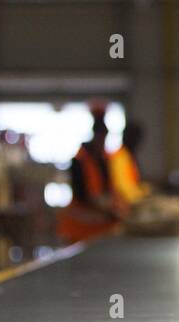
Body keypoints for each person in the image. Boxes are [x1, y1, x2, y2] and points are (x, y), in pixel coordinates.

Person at [57, 103, 123, 244]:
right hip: (78, 228)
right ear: (96, 136)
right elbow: (85, 195)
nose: (103, 142)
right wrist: (108, 208)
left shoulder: (104, 160)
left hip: (100, 228)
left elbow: (109, 190)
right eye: (101, 138)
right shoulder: (79, 161)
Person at [108, 119, 150, 205]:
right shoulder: (119, 157)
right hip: (123, 206)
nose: (138, 144)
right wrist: (142, 195)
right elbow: (123, 189)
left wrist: (146, 190)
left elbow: (134, 183)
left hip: (131, 203)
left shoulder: (128, 157)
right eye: (136, 139)